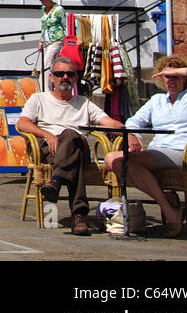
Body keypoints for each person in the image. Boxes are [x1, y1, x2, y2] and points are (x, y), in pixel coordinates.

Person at [103, 57, 187, 237]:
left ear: (184, 77)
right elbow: (133, 121)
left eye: (175, 76)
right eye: (167, 77)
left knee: (126, 162)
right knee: (112, 159)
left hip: (185, 152)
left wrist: (181, 70)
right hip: (158, 151)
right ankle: (168, 203)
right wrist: (133, 136)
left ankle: (169, 212)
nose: (170, 80)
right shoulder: (157, 100)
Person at [16, 57, 125, 235]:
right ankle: (79, 216)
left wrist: (130, 135)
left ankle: (56, 182)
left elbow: (108, 122)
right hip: (50, 149)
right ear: (51, 77)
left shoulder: (84, 103)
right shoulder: (39, 99)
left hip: (76, 146)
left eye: (70, 74)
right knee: (74, 158)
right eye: (60, 74)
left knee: (71, 136)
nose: (64, 77)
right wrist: (47, 134)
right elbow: (22, 124)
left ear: (75, 78)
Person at [38, 0, 67, 88]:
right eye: (42, 2)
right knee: (52, 65)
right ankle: (54, 88)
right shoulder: (43, 9)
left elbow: (65, 25)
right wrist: (40, 40)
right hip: (46, 40)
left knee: (46, 65)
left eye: (45, 1)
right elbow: (44, 26)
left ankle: (46, 90)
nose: (43, 4)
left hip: (56, 40)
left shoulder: (59, 10)